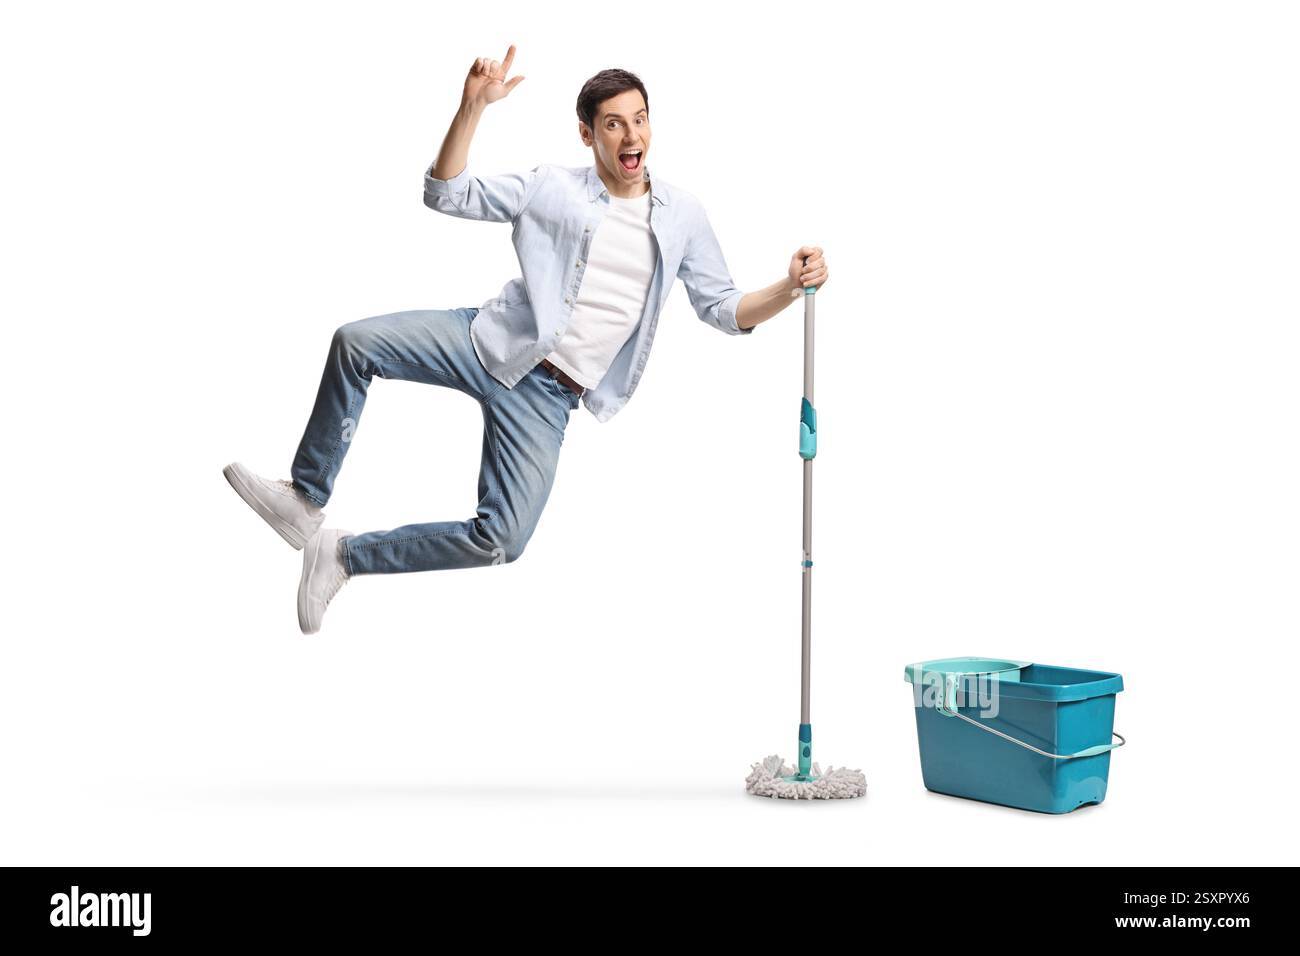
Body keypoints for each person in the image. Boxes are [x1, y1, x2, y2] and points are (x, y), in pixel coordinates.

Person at [224, 44, 830, 634]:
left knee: (502, 540)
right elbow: (447, 194)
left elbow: (724, 309)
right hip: (490, 339)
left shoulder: (682, 216)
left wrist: (789, 285)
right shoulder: (551, 188)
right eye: (613, 124)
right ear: (587, 134)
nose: (631, 137)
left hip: (549, 399)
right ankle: (303, 499)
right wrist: (473, 107)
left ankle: (343, 556)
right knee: (356, 344)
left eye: (640, 120)